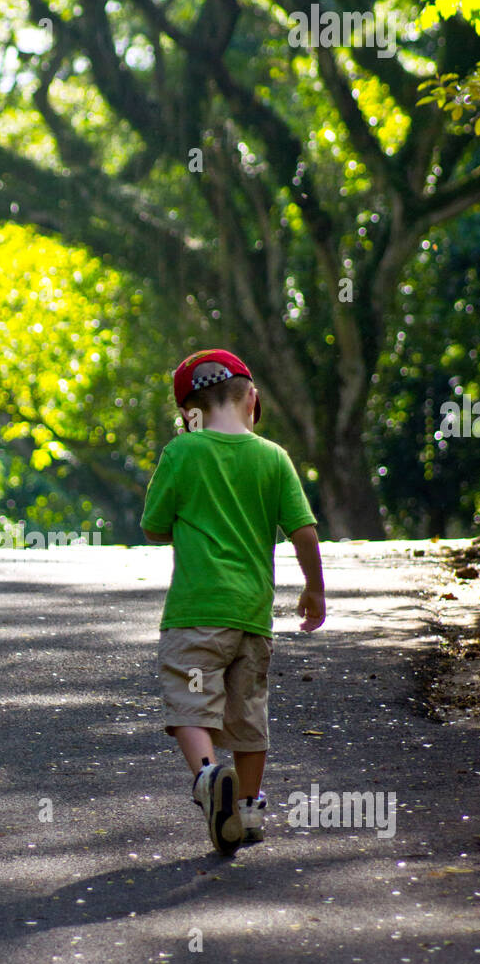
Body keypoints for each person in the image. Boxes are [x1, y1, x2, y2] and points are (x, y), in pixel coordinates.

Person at [140, 349, 325, 855]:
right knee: (248, 716)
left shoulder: (182, 453)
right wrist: (314, 588)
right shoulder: (273, 458)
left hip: (196, 616)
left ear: (188, 415)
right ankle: (247, 806)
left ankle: (205, 778)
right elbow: (304, 532)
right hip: (252, 618)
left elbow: (154, 526)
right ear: (253, 399)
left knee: (190, 703)